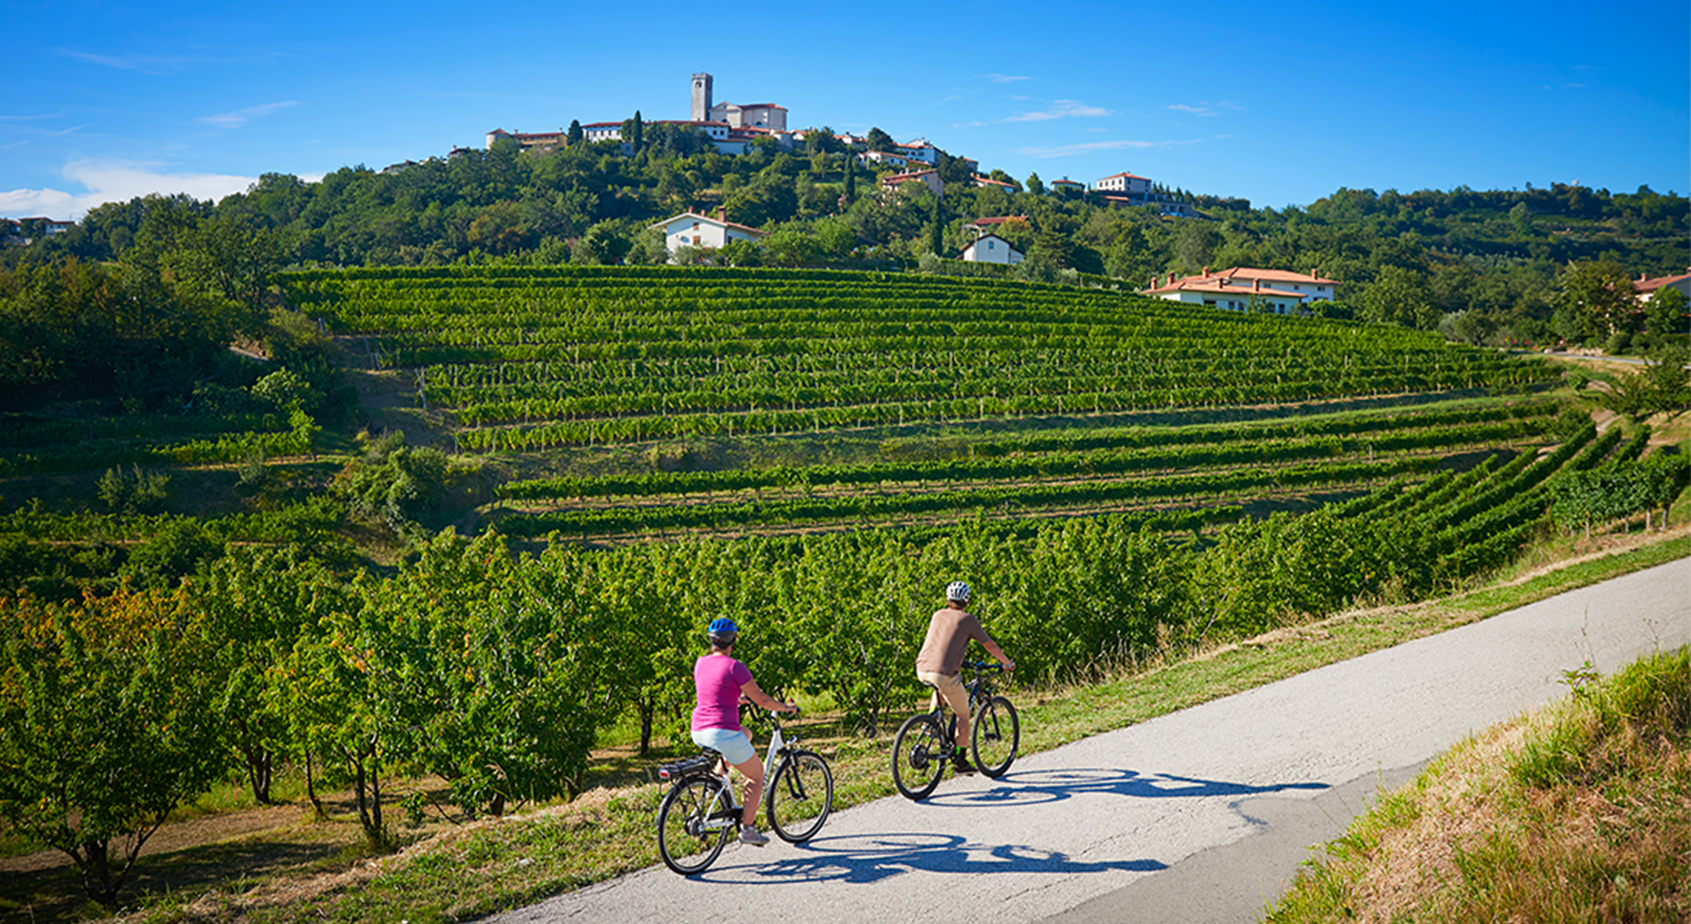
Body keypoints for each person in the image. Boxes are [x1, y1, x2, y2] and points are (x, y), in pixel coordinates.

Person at [691, 617, 796, 846]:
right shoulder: (735, 666)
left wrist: (734, 699)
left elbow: (712, 692)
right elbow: (762, 700)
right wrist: (785, 707)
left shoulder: (700, 663)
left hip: (698, 730)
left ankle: (718, 778)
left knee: (746, 733)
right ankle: (748, 829)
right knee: (756, 776)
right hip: (722, 732)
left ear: (712, 641)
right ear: (734, 640)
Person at [915, 580, 1014, 774]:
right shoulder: (968, 620)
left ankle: (930, 721)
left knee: (940, 688)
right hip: (943, 674)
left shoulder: (937, 615)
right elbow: (989, 645)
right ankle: (960, 762)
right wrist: (1007, 663)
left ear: (947, 599)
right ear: (967, 601)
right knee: (963, 714)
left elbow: (943, 643)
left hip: (922, 668)